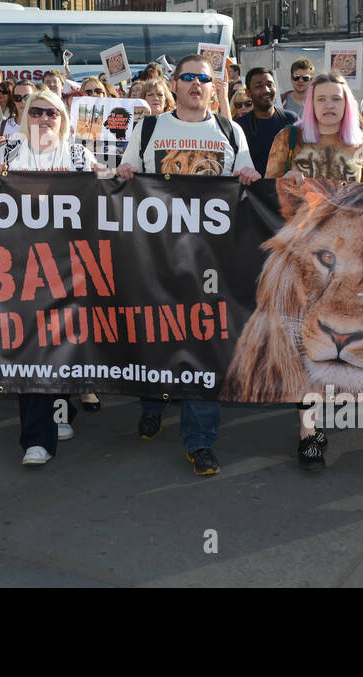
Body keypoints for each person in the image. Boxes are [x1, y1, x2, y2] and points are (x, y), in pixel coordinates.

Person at [117, 54, 260, 477]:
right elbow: (126, 183)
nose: (197, 84)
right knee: (153, 336)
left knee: (202, 346)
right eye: (189, 78)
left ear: (213, 88)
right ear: (174, 84)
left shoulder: (229, 131)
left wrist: (250, 176)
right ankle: (152, 402)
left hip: (210, 263)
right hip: (156, 258)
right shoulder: (147, 129)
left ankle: (200, 442)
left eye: (204, 78)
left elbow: (247, 175)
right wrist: (124, 172)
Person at [266, 71, 363, 471]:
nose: (328, 106)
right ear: (310, 103)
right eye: (321, 99)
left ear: (346, 103)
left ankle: (322, 414)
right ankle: (310, 434)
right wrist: (285, 182)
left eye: (336, 99)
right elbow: (264, 193)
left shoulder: (361, 144)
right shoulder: (289, 139)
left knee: (337, 344)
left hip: (352, 264)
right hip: (304, 258)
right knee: (308, 342)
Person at [0, 89, 102, 466]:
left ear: (63, 119)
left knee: (63, 344)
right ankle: (36, 438)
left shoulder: (79, 155)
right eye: (37, 112)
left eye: (53, 113)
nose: (45, 119)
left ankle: (61, 409)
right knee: (30, 347)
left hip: (69, 267)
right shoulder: (7, 152)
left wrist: (116, 175)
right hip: (19, 269)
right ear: (26, 115)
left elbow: (108, 194)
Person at [236, 67, 290, 166]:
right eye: (259, 86)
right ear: (249, 93)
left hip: (285, 181)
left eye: (270, 85)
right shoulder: (239, 127)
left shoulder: (291, 120)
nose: (266, 90)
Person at [0, 79, 35, 151]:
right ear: (13, 100)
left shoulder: (42, 126)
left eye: (27, 97)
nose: (23, 102)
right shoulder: (2, 126)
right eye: (18, 98)